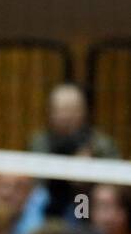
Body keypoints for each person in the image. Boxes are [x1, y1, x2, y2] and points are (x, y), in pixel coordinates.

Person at [29, 83, 121, 217]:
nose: (65, 116)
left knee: (83, 204)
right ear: (50, 113)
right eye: (60, 110)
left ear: (83, 112)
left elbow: (116, 188)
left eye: (71, 110)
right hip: (47, 207)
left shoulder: (100, 144)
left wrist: (87, 178)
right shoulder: (39, 142)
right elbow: (33, 185)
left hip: (83, 204)